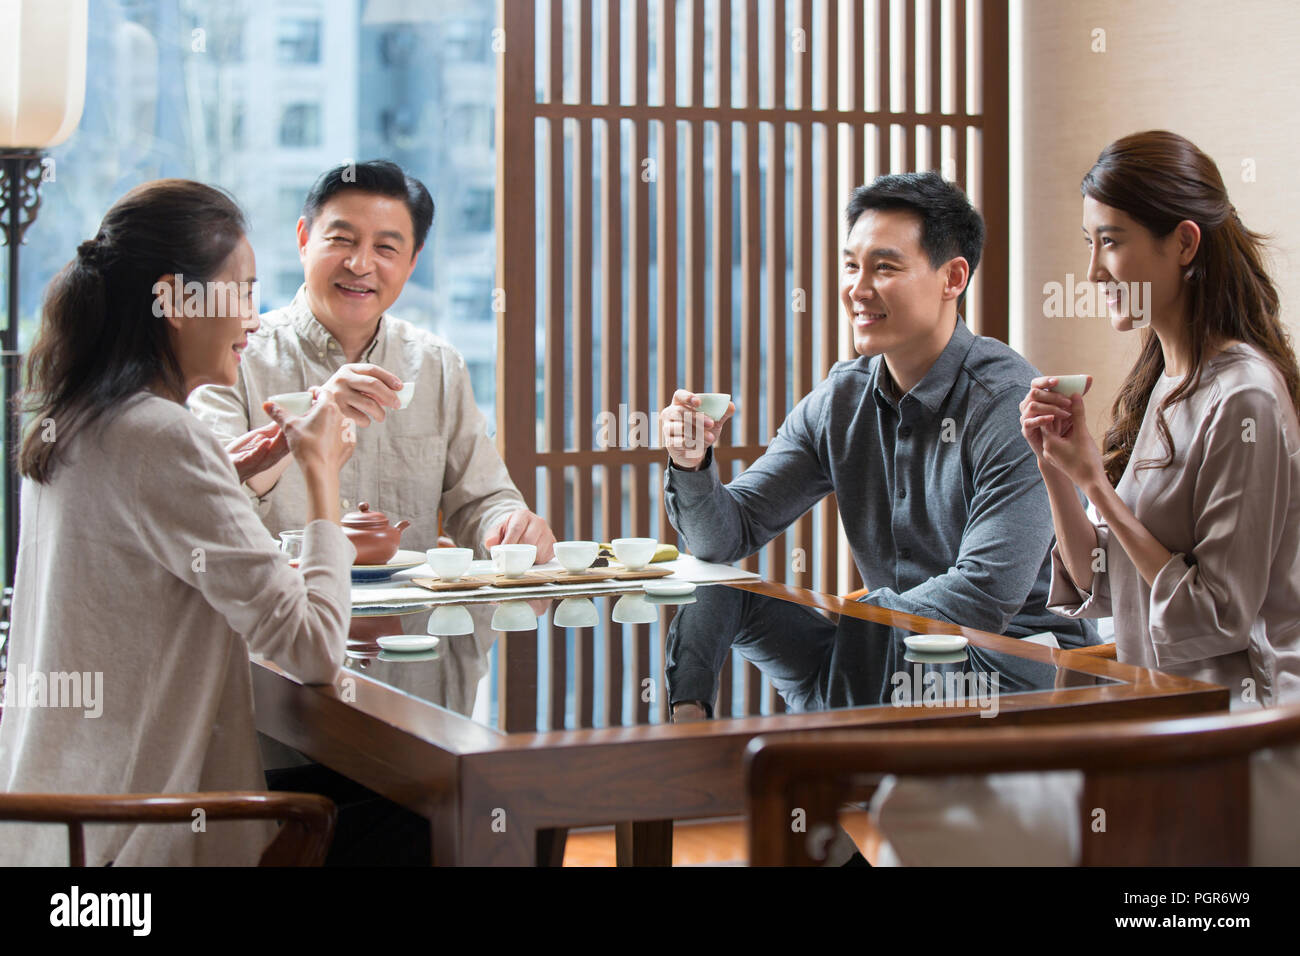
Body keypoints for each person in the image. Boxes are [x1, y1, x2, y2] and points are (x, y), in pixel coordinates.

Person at [873, 130, 1300, 866]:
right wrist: (1058, 469)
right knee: (916, 797)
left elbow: (1218, 615)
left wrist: (1098, 483)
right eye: (1089, 241)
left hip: (1249, 730)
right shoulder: (1166, 382)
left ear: (1184, 244)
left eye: (1112, 241)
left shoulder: (1246, 399)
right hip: (1161, 712)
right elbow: (1096, 581)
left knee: (925, 808)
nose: (1095, 269)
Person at [0, 180, 355, 866]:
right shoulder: (163, 435)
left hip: (52, 835)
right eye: (243, 290)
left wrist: (229, 472)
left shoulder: (70, 421)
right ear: (178, 300)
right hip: (139, 841)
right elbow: (312, 649)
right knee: (425, 812)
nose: (254, 320)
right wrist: (322, 474)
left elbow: (134, 536)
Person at [661, 170, 1096, 649]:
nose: (858, 289)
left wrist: (849, 624)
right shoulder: (841, 400)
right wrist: (691, 462)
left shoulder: (1007, 404)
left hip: (1023, 670)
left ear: (952, 278)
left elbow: (982, 597)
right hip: (892, 657)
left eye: (884, 268)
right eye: (851, 266)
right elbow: (726, 536)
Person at [188, 159, 555, 561]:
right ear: (303, 239)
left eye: (385, 248)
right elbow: (208, 508)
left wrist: (510, 526)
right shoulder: (232, 356)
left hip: (411, 623)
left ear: (412, 260)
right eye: (342, 239)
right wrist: (314, 416)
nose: (360, 265)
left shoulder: (437, 366)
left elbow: (480, 500)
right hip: (284, 618)